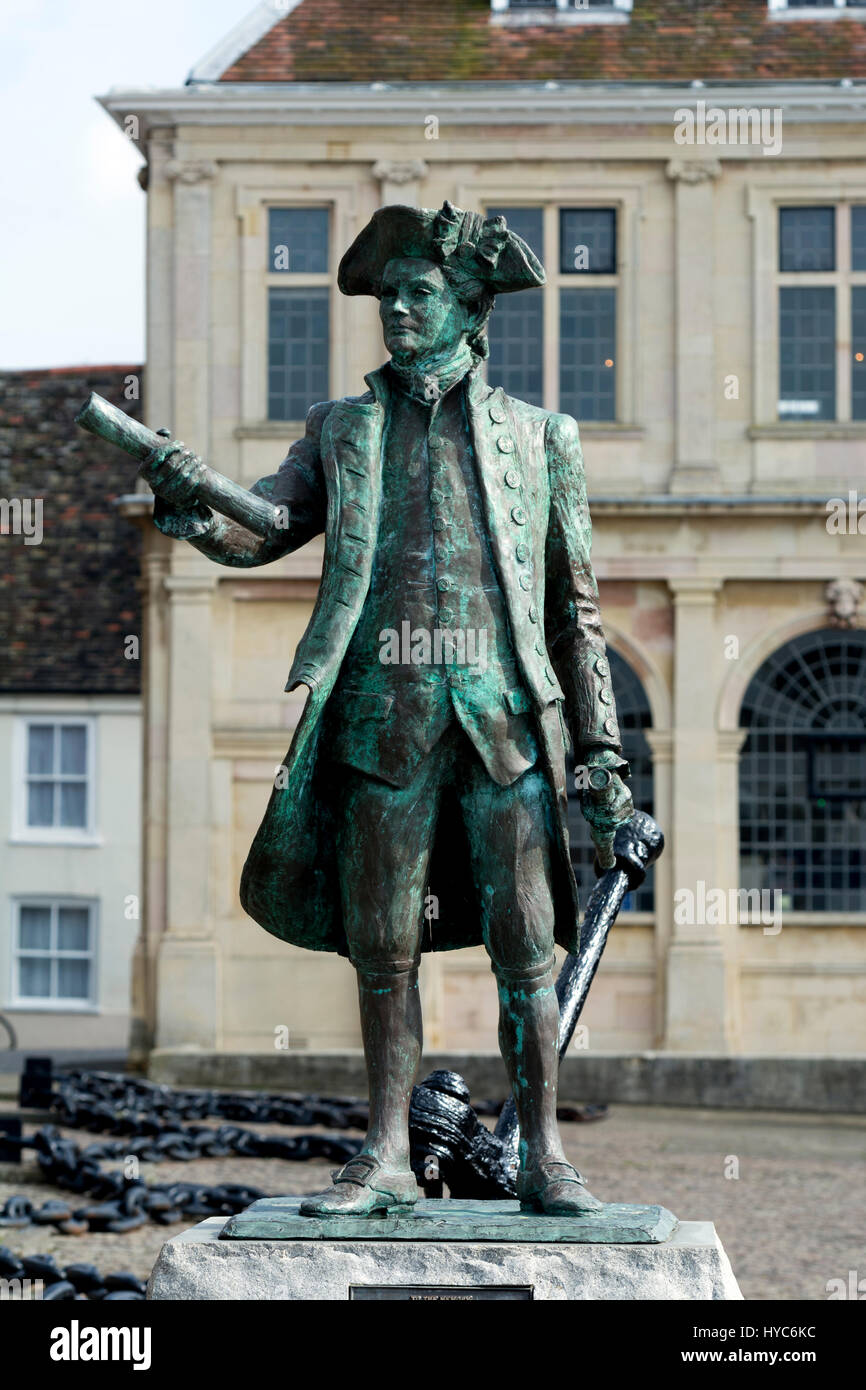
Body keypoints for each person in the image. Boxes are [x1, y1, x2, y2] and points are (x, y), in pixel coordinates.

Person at [145, 201, 634, 1217]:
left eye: (417, 294)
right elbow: (269, 527)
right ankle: (378, 1153)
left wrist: (601, 768)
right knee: (381, 952)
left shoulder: (540, 439)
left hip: (502, 728)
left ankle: (543, 1154)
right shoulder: (341, 428)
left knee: (524, 950)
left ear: (467, 309)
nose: (395, 311)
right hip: (382, 722)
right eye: (387, 297)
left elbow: (575, 616)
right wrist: (194, 505)